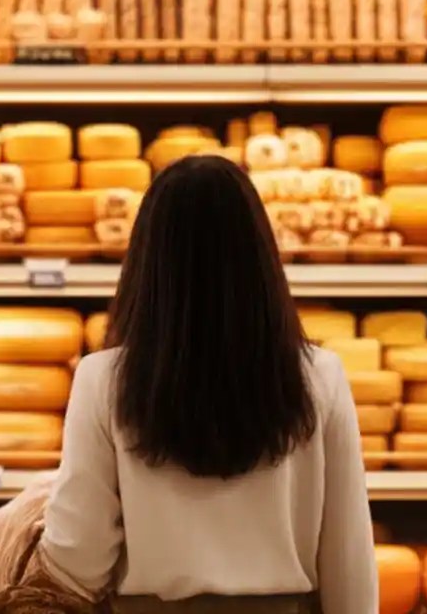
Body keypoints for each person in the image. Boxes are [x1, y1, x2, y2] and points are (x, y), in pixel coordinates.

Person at [37, 155, 379, 614]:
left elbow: (78, 558)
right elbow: (348, 552)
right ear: (261, 257)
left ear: (147, 261)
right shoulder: (320, 375)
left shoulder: (103, 379)